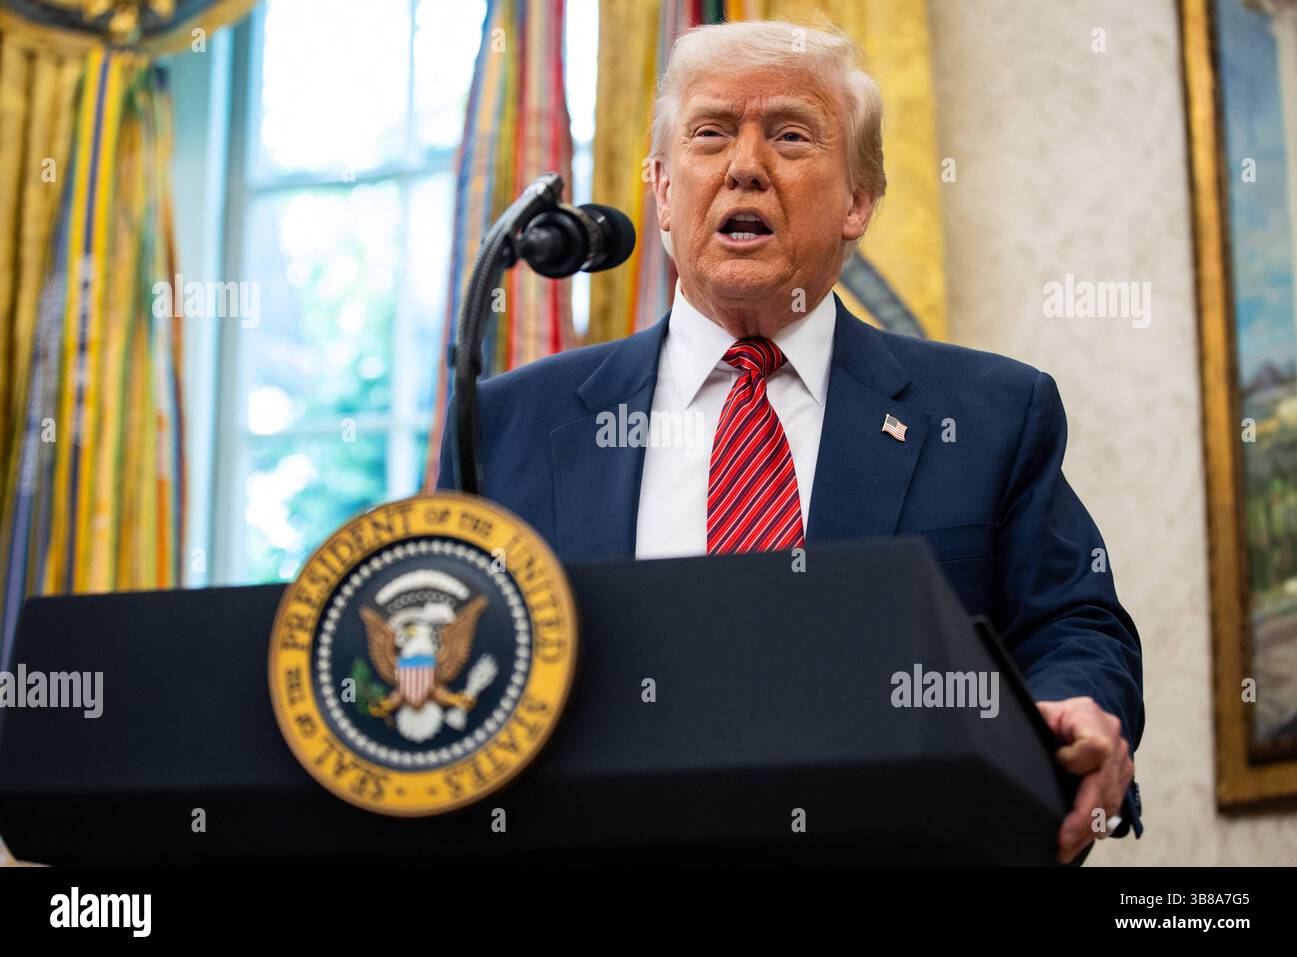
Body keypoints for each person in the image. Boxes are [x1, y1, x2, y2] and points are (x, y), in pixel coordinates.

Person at [437, 19, 1143, 863]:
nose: (743, 165)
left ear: (858, 200)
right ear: (662, 191)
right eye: (708, 134)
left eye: (790, 135)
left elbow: (1074, 622)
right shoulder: (512, 423)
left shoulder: (992, 413)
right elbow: (458, 664)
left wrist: (1074, 703)